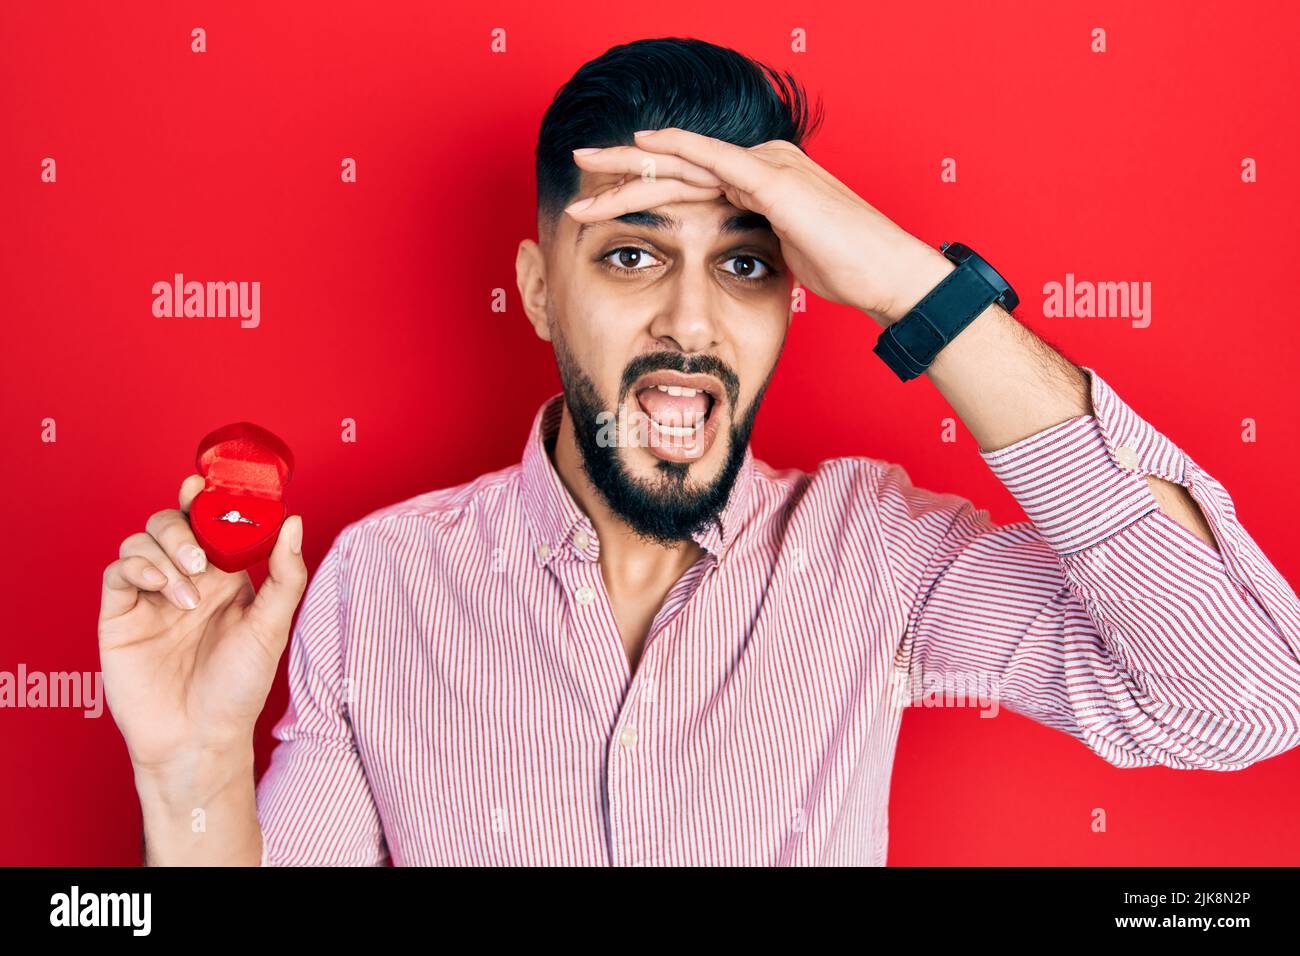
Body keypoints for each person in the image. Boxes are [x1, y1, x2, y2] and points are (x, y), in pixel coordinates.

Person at [99, 37, 1300, 866]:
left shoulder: (871, 551)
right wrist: (194, 768)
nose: (690, 319)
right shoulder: (382, 582)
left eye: (745, 261)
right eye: (629, 254)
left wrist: (917, 291)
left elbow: (1243, 696)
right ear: (536, 291)